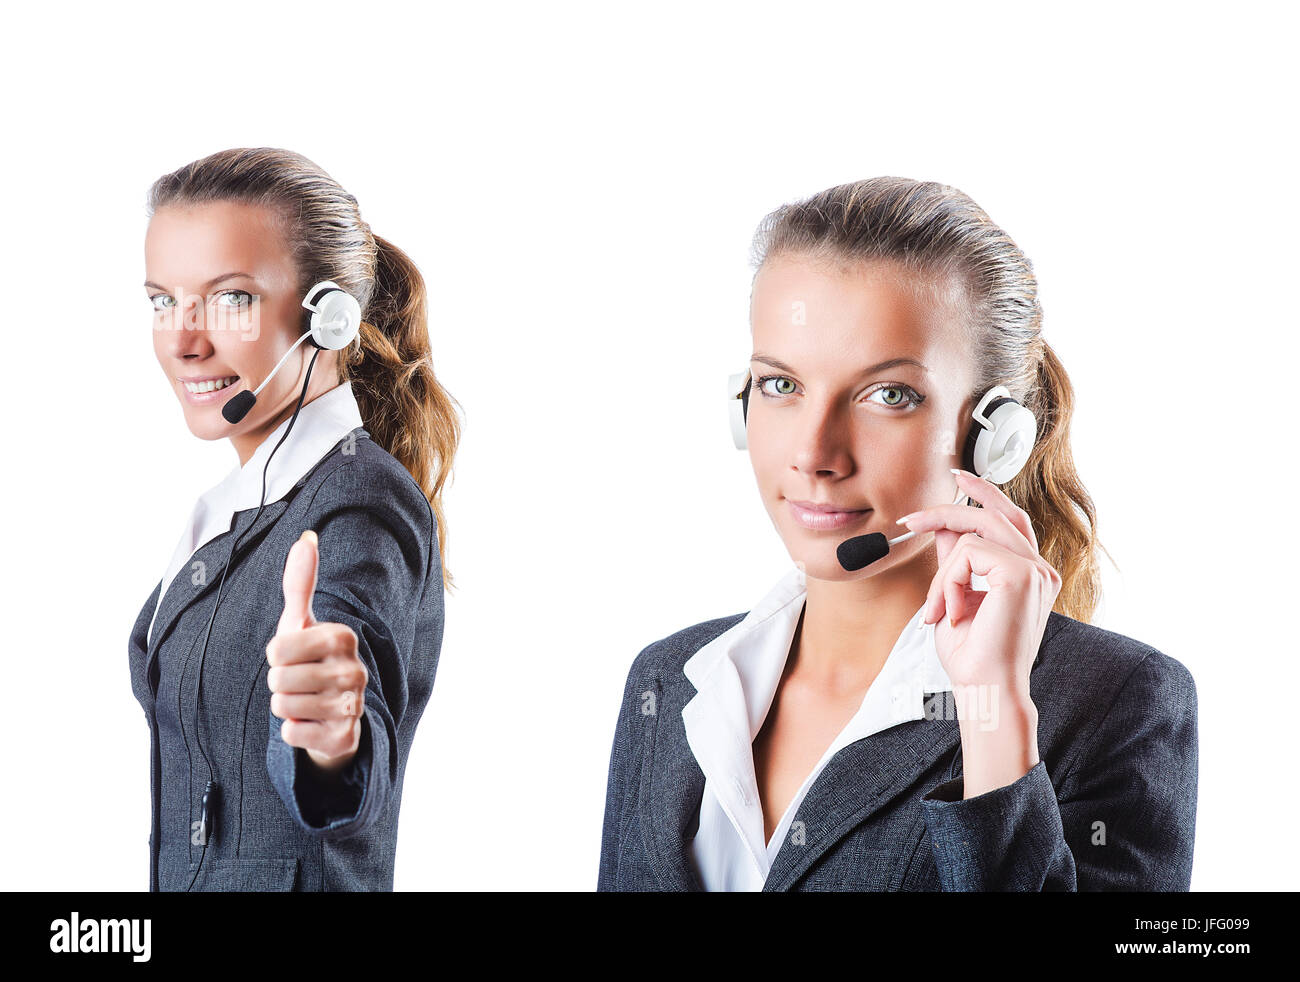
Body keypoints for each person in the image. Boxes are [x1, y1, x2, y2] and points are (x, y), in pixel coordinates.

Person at [598, 176, 1198, 891]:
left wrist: (991, 712)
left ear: (995, 440)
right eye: (780, 385)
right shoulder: (672, 681)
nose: (815, 454)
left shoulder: (1114, 702)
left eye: (889, 395)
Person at [127, 147, 461, 891]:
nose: (184, 340)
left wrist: (330, 738)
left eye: (231, 298)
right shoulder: (232, 509)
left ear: (331, 319)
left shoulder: (358, 503)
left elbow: (347, 726)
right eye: (162, 301)